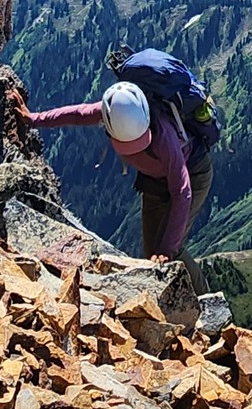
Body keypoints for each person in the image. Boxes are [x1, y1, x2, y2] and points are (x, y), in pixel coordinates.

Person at [17, 48, 216, 290]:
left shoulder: (163, 134)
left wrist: (168, 248)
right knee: (151, 251)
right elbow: (78, 113)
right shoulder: (112, 109)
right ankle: (166, 302)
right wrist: (33, 119)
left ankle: (204, 300)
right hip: (154, 179)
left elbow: (182, 191)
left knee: (170, 251)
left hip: (194, 174)